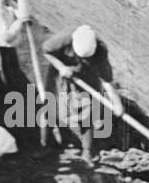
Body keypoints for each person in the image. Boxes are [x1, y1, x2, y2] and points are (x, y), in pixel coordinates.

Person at [40, 25, 119, 166]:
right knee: (51, 106)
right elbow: (46, 51)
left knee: (86, 110)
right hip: (60, 75)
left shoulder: (100, 50)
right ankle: (46, 144)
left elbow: (107, 80)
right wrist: (61, 67)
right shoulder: (64, 39)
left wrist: (117, 104)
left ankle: (87, 152)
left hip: (86, 76)